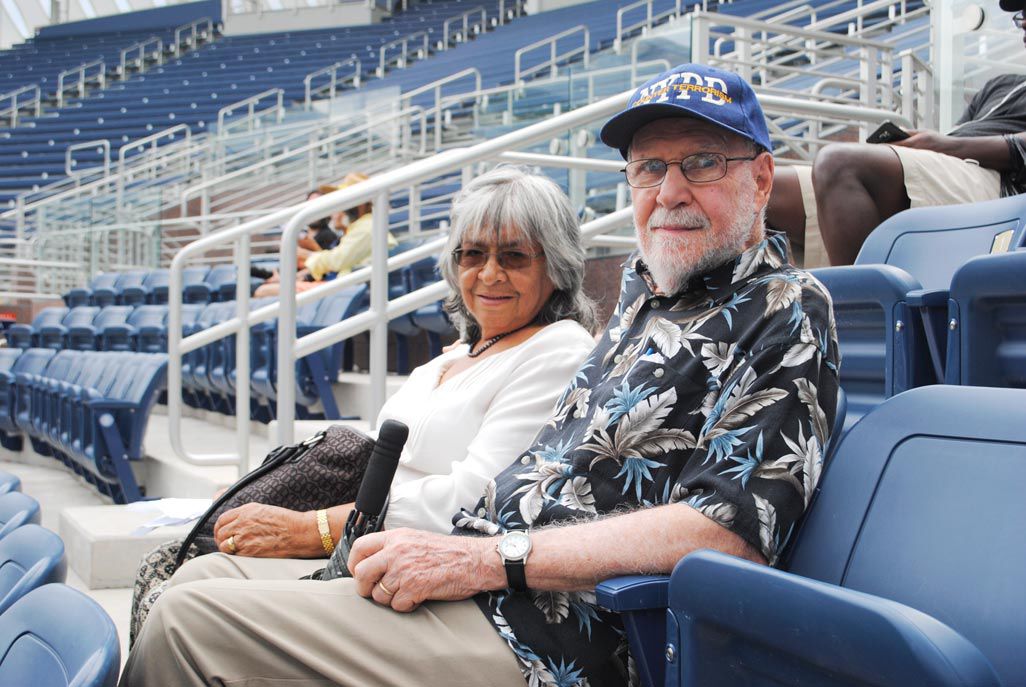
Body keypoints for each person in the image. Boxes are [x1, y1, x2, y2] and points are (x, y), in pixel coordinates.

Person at [123, 64, 840, 687]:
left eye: (702, 162)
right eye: (649, 167)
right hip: (481, 576)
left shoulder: (787, 308)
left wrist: (485, 557)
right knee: (196, 575)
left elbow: (727, 532)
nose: (670, 189)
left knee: (190, 624)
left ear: (762, 175)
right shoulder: (641, 297)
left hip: (556, 633)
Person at [128, 166, 598, 645]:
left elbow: (475, 499)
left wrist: (311, 529)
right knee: (178, 574)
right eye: (473, 254)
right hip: (368, 548)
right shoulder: (465, 349)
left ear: (555, 266)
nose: (489, 272)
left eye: (514, 256)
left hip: (430, 579)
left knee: (185, 610)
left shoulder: (557, 349)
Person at [769, 0, 1026, 266]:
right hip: (958, 172)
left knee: (839, 163)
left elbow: (980, 148)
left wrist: (940, 145)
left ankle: (861, 304)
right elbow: (955, 141)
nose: (1024, 22)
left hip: (1004, 185)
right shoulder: (998, 86)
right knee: (763, 187)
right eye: (1022, 15)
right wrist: (929, 144)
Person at [255, 172, 397, 297]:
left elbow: (337, 261)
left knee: (264, 291)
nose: (339, 207)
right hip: (347, 286)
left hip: (348, 290)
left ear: (359, 203)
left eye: (345, 201)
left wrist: (307, 254)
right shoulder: (364, 226)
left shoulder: (366, 227)